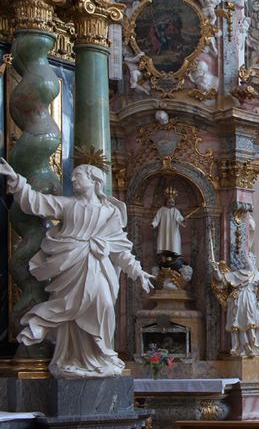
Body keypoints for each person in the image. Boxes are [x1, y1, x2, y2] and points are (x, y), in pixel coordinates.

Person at [0, 158, 154, 378]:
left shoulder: (110, 212)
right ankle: (72, 358)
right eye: (73, 176)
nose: (73, 179)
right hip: (70, 264)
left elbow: (119, 248)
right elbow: (36, 202)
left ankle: (100, 356)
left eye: (78, 175)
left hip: (97, 265)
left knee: (105, 304)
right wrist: (16, 179)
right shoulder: (68, 204)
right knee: (69, 312)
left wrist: (137, 272)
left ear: (94, 180)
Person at [151, 188, 185, 256]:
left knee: (174, 243)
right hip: (164, 231)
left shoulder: (176, 211)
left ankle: (174, 256)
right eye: (169, 202)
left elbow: (179, 219)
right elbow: (157, 219)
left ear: (175, 203)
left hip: (173, 231)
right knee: (164, 243)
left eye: (172, 202)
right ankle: (165, 256)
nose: (171, 204)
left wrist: (183, 221)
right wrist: (153, 224)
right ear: (166, 202)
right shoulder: (162, 210)